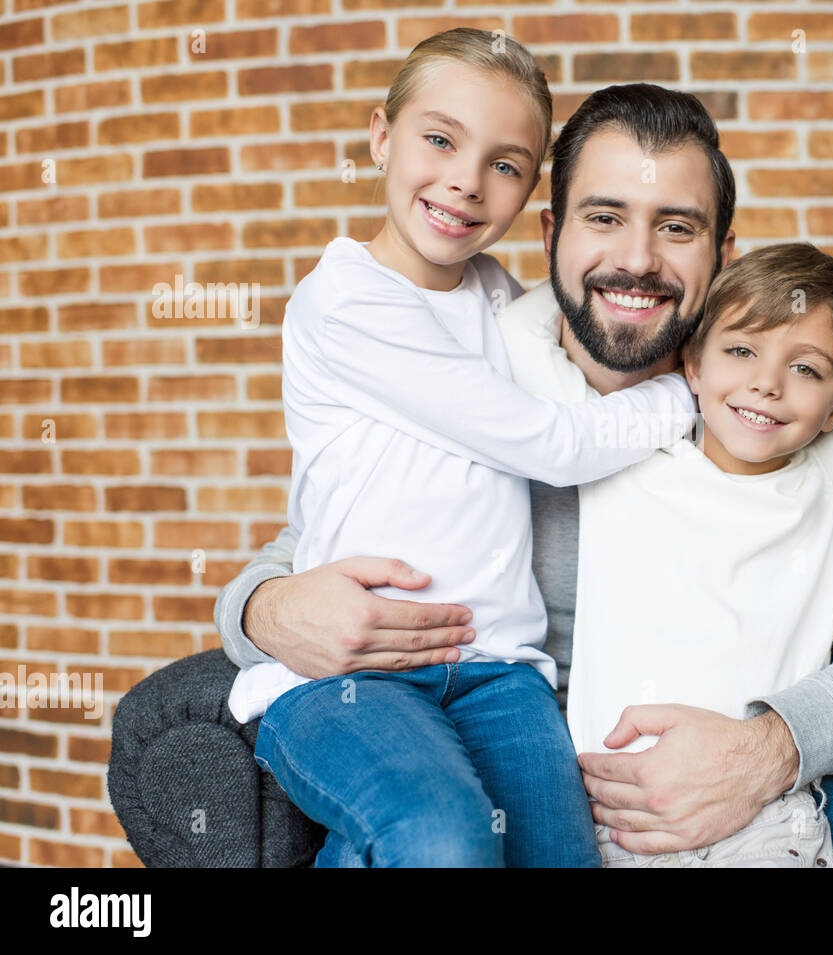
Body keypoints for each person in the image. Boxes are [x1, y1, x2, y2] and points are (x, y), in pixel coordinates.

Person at [216, 83, 833, 868]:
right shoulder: (483, 366)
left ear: (721, 257)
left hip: (733, 759)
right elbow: (333, 521)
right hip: (505, 741)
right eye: (605, 217)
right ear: (552, 233)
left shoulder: (758, 415)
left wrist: (772, 746)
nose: (636, 259)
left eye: (677, 227)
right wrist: (260, 609)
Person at [242, 30, 699, 867]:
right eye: (441, 139)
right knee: (440, 834)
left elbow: (584, 364)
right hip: (358, 676)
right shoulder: (346, 300)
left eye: (506, 164)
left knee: (559, 856)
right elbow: (553, 444)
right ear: (382, 136)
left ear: (531, 194)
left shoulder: (499, 297)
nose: (465, 180)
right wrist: (687, 393)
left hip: (502, 672)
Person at [505, 241, 833, 867]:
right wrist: (669, 291)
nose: (766, 382)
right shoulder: (622, 454)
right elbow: (520, 329)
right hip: (614, 820)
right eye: (741, 350)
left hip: (765, 821)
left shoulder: (830, 478)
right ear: (692, 367)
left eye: (805, 369)